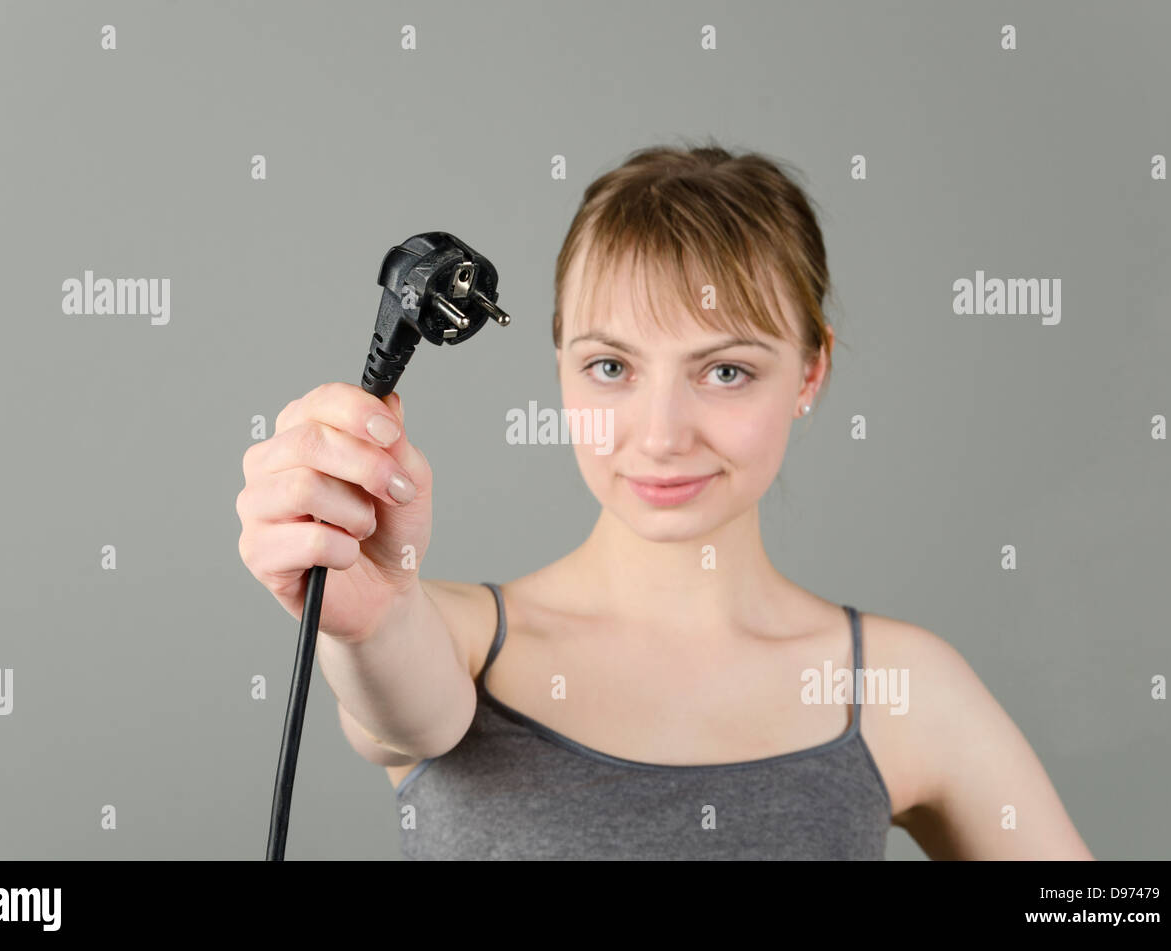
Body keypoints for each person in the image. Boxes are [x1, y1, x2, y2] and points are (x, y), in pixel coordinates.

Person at [236, 142, 1094, 860]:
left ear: (811, 370)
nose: (661, 434)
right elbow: (400, 700)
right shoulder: (456, 644)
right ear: (561, 364)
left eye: (726, 371)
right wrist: (371, 615)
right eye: (611, 367)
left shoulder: (899, 686)